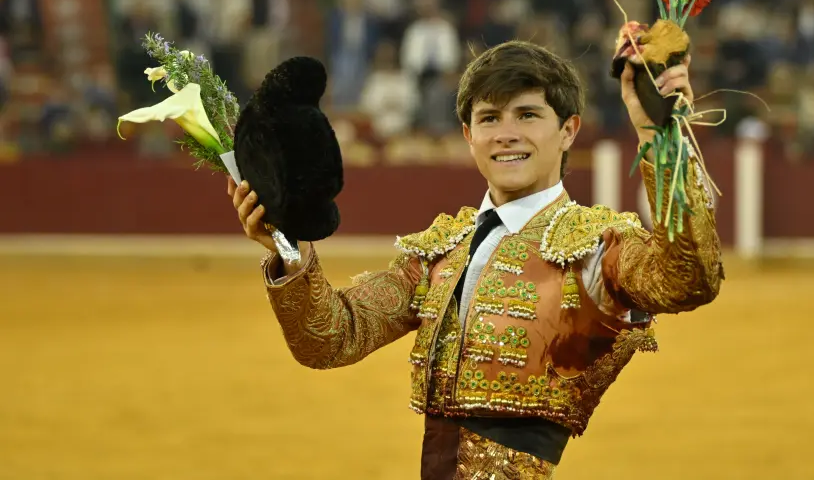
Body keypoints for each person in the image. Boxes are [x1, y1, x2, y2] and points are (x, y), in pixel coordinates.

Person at [226, 40, 723, 479]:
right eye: (489, 118)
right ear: (468, 135)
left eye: (527, 115)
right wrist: (289, 248)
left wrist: (662, 138)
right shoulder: (442, 249)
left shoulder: (595, 246)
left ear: (569, 130)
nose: (506, 133)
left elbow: (687, 278)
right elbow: (333, 338)